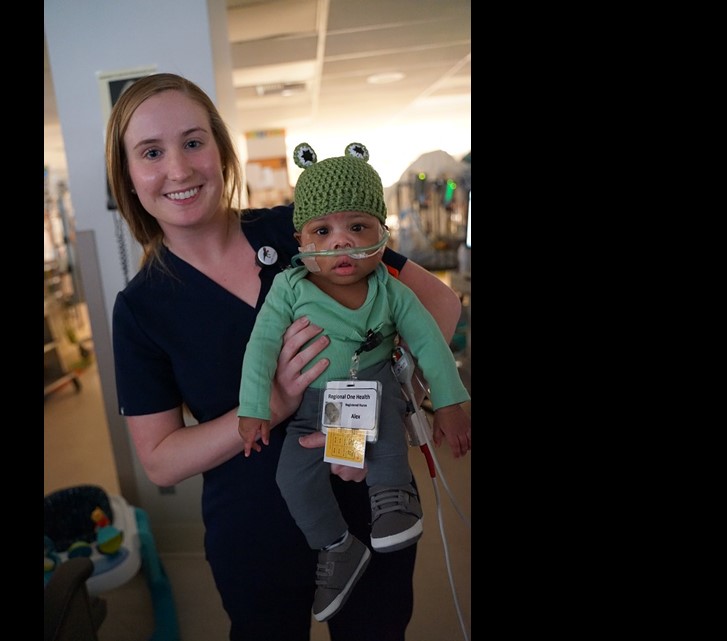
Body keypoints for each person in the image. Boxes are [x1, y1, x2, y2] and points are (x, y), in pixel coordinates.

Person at [107, 72, 470, 641]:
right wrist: (272, 404)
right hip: (254, 534)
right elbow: (160, 459)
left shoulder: (304, 227)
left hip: (367, 499)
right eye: (151, 152)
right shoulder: (141, 308)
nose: (178, 168)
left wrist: (376, 414)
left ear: (222, 153)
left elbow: (439, 306)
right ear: (127, 175)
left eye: (194, 142)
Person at [237, 141, 471, 622]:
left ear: (383, 234)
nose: (342, 242)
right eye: (323, 231)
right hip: (306, 408)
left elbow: (428, 341)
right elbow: (260, 347)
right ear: (301, 242)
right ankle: (337, 546)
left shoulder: (390, 288)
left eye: (358, 227)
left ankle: (395, 501)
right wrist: (253, 406)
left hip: (371, 389)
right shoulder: (289, 286)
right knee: (291, 476)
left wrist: (448, 402)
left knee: (382, 426)